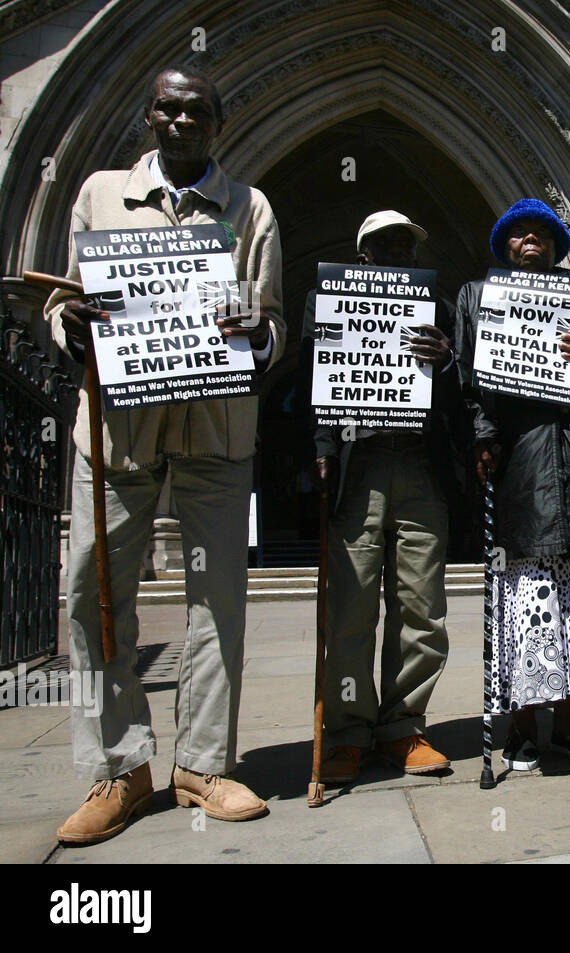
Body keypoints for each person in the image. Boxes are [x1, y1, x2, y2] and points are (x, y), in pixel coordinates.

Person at [46, 66, 281, 843]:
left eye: (199, 111)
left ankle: (202, 763)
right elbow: (65, 298)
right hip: (119, 428)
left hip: (216, 426)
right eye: (169, 108)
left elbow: (273, 326)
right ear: (149, 114)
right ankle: (120, 766)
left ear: (218, 122)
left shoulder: (250, 209)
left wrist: (255, 333)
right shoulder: (99, 194)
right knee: (93, 592)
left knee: (218, 600)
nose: (183, 120)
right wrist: (69, 322)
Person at [455, 198, 570, 769]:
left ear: (558, 246)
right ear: (503, 244)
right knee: (526, 606)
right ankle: (524, 727)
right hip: (522, 470)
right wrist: (485, 436)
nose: (530, 241)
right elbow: (467, 377)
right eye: (518, 234)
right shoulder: (477, 297)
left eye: (542, 234)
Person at [300, 211, 460, 783]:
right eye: (385, 245)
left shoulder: (439, 310)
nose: (397, 253)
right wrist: (321, 445)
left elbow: (469, 384)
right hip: (358, 464)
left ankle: (404, 727)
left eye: (405, 246)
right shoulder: (330, 300)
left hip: (420, 467)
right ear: (363, 254)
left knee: (421, 606)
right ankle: (346, 732)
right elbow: (312, 375)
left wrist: (448, 363)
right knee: (352, 606)